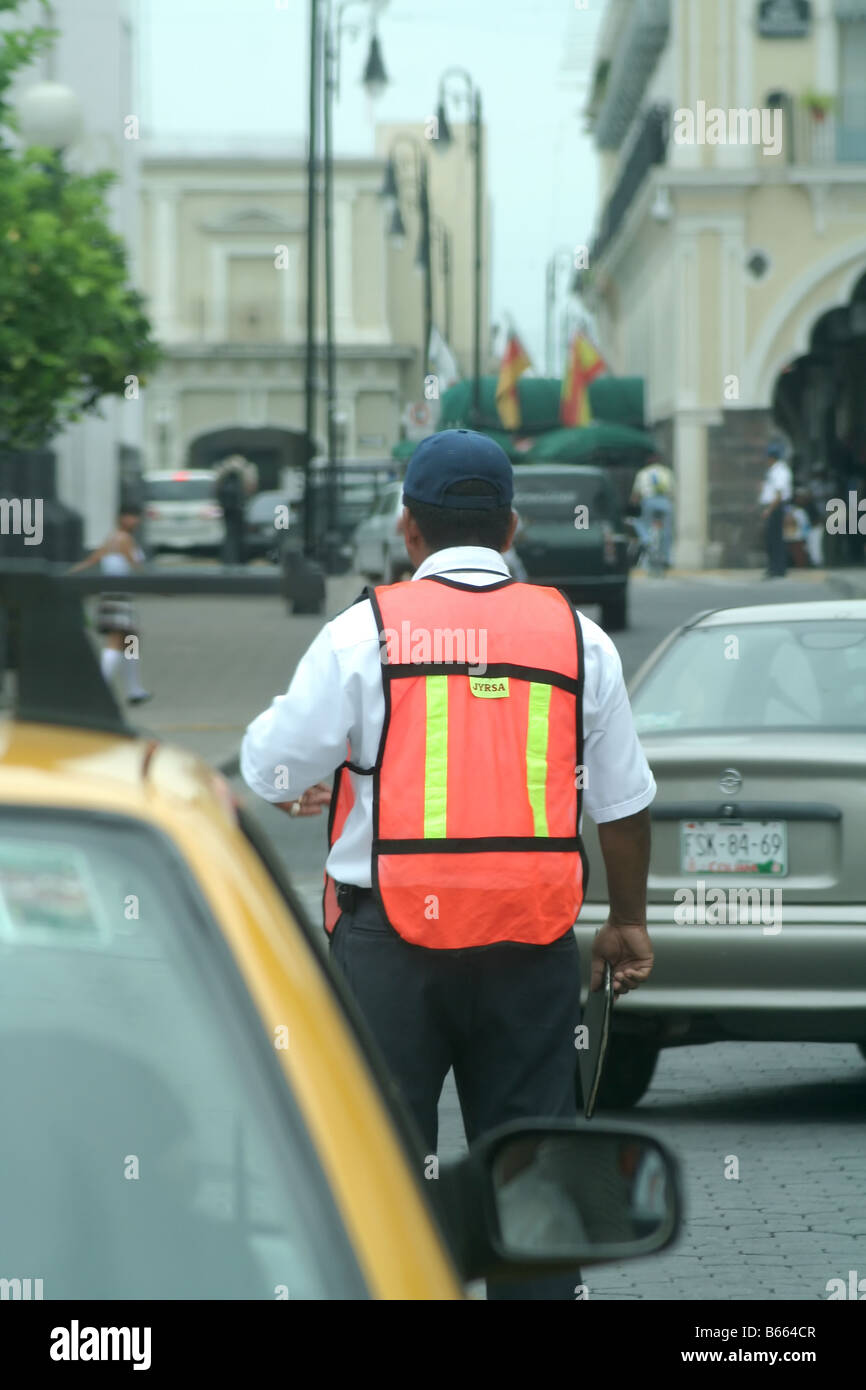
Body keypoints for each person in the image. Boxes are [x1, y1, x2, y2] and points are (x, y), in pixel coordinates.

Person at [240, 429, 656, 1301]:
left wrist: (303, 785)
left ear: (408, 530)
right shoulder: (578, 638)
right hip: (531, 943)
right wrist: (626, 920)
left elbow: (271, 765)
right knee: (535, 1177)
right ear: (511, 529)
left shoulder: (364, 633)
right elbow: (622, 803)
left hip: (387, 946)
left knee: (384, 1173)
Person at [68, 505, 151, 704]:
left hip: (113, 596)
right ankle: (100, 688)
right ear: (122, 518)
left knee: (131, 641)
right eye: (131, 517)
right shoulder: (124, 539)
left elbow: (92, 560)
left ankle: (134, 690)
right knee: (116, 641)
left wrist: (69, 574)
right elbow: (136, 566)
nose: (135, 521)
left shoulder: (111, 538)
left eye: (136, 517)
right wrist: (159, 585)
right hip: (119, 597)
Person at [630, 457, 674, 572]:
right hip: (665, 502)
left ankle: (646, 539)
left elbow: (636, 494)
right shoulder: (666, 472)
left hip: (649, 500)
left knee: (640, 523)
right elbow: (672, 491)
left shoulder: (643, 473)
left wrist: (633, 504)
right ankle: (667, 558)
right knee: (667, 531)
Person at [760, 439, 793, 578]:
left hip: (776, 507)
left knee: (775, 539)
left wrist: (769, 509)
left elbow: (779, 493)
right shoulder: (775, 470)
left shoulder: (780, 471)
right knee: (772, 538)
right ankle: (774, 567)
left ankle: (778, 568)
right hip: (774, 506)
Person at [215, 455, 249, 566]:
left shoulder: (224, 483)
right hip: (237, 512)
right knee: (237, 536)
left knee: (230, 536)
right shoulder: (238, 481)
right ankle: (237, 559)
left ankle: (230, 558)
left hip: (228, 512)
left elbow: (218, 493)